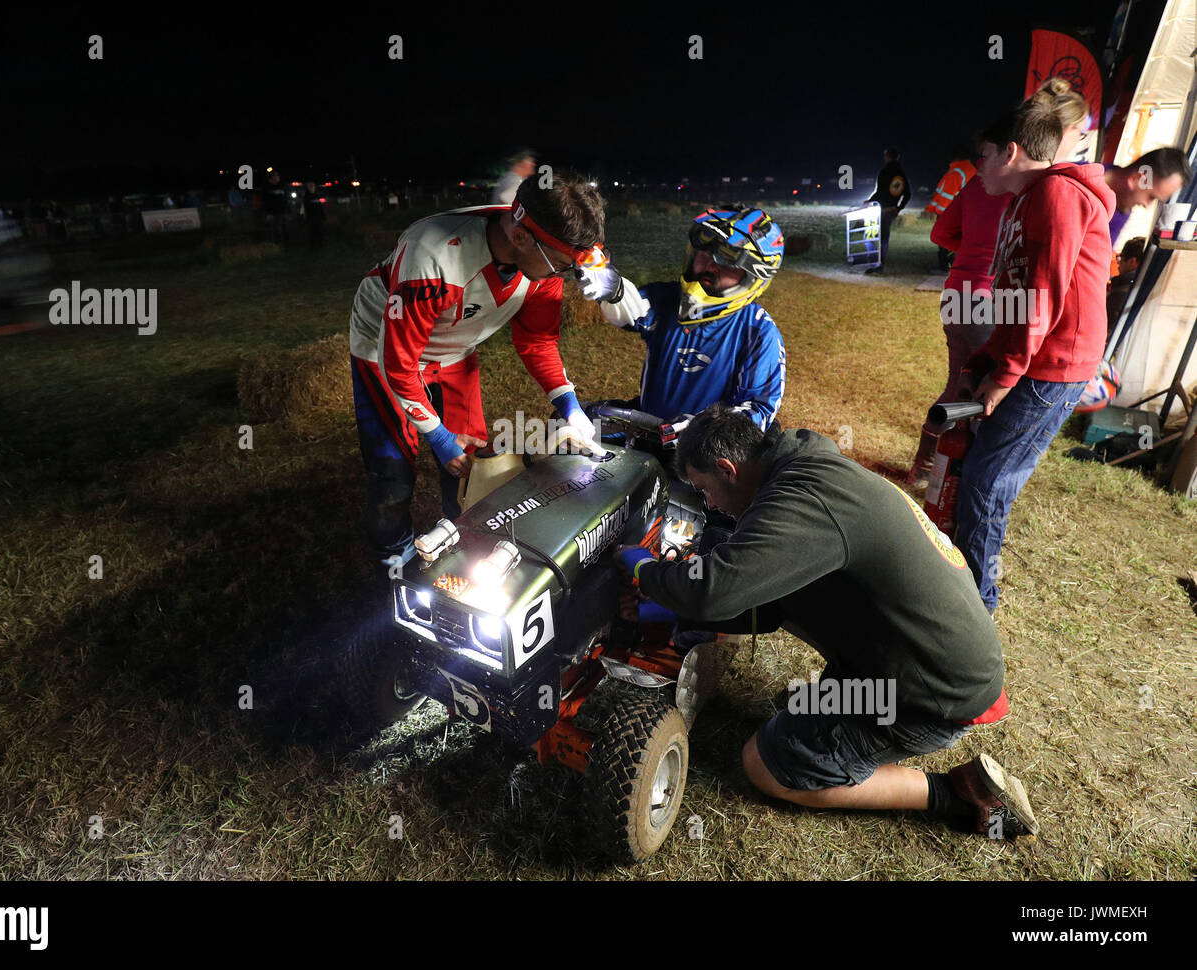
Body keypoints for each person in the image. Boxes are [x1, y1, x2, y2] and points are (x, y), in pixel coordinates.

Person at [613, 406, 1035, 838]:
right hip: (933, 660)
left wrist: (645, 569)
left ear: (728, 469)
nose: (712, 504)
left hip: (935, 696)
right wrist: (664, 608)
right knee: (801, 708)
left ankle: (959, 794)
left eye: (706, 490)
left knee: (769, 766)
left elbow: (712, 589)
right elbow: (771, 603)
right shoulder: (807, 471)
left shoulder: (802, 502)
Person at [349, 172, 618, 579]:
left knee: (473, 461)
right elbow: (400, 365)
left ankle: (461, 541)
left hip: (454, 348)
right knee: (393, 473)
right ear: (522, 238)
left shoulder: (542, 256)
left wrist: (569, 405)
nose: (561, 276)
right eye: (561, 265)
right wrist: (436, 435)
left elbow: (537, 343)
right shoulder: (434, 255)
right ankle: (397, 562)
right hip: (382, 347)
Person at [955, 98, 1114, 615]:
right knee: (981, 472)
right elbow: (1017, 294)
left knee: (987, 481)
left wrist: (1006, 372)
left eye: (983, 156)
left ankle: (976, 607)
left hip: (1055, 364)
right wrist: (987, 357)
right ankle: (965, 585)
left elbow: (1044, 294)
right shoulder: (1025, 201)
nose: (977, 168)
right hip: (1036, 357)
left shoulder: (1057, 195)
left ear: (1011, 151)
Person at [909, 78, 1090, 483]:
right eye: (1079, 133)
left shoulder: (984, 179)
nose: (1082, 141)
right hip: (988, 296)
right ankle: (948, 476)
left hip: (959, 291)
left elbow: (941, 233)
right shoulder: (1033, 189)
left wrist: (970, 248)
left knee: (959, 383)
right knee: (979, 394)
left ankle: (927, 466)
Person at [596, 206, 786, 430]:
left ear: (752, 277)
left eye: (727, 262)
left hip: (703, 456)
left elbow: (759, 409)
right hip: (648, 431)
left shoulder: (757, 331)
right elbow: (631, 313)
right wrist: (608, 284)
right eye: (703, 255)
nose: (709, 267)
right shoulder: (667, 298)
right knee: (564, 427)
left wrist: (699, 429)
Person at [1104, 147, 1193, 246]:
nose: (1147, 205)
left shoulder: (1121, 212)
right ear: (1136, 179)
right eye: (1152, 197)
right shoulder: (1084, 177)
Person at [923, 146, 976, 270]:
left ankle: (946, 267)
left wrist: (935, 212)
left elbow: (944, 198)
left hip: (952, 217)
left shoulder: (956, 173)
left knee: (946, 243)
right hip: (968, 216)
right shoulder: (972, 170)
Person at [864, 148, 910, 274]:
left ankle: (874, 261)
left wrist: (869, 201)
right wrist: (898, 208)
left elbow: (879, 192)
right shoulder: (902, 173)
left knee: (868, 236)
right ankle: (880, 264)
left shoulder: (884, 171)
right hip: (891, 210)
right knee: (884, 238)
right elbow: (907, 194)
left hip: (880, 209)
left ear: (887, 157)